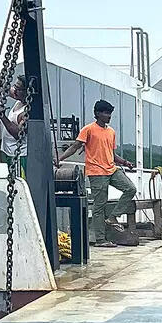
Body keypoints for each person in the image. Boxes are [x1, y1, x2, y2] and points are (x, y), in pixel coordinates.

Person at [56, 100, 135, 248]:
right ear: (98, 114)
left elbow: (112, 154)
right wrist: (60, 158)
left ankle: (112, 217)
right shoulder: (88, 129)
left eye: (110, 113)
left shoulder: (111, 132)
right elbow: (75, 147)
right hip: (96, 172)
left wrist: (125, 162)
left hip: (112, 169)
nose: (109, 116)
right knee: (100, 206)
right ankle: (100, 240)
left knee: (130, 189)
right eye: (106, 113)